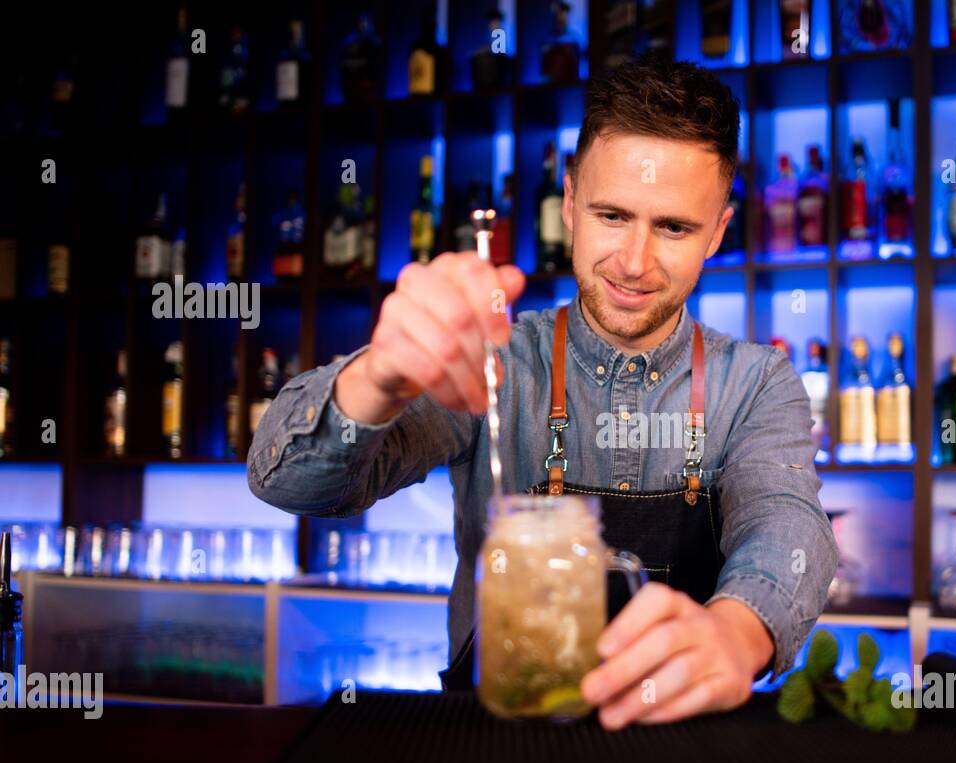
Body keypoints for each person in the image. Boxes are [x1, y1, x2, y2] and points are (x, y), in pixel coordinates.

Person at [248, 54, 836, 728]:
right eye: (613, 214)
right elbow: (287, 483)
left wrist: (738, 632)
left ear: (718, 234)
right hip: (493, 745)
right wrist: (377, 378)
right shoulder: (494, 357)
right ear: (571, 199)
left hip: (682, 756)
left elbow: (788, 525)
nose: (635, 262)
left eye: (673, 227)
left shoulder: (757, 381)